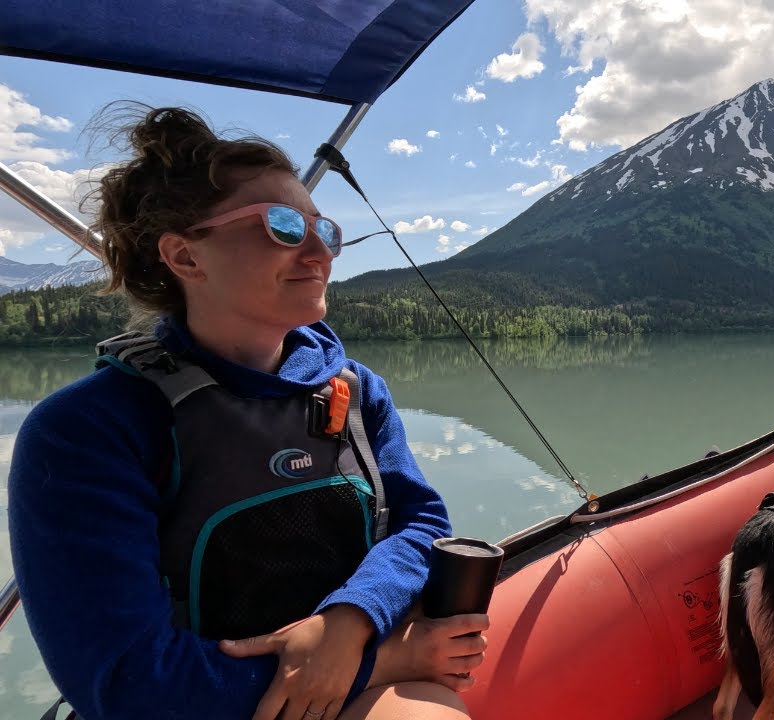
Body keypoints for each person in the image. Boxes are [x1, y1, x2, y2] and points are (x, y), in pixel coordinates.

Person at [7, 105, 488, 720]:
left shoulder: (358, 390)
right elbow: (129, 683)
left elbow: (420, 522)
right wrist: (384, 659)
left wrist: (352, 617)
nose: (320, 251)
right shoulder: (89, 430)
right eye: (283, 226)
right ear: (185, 258)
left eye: (325, 229)